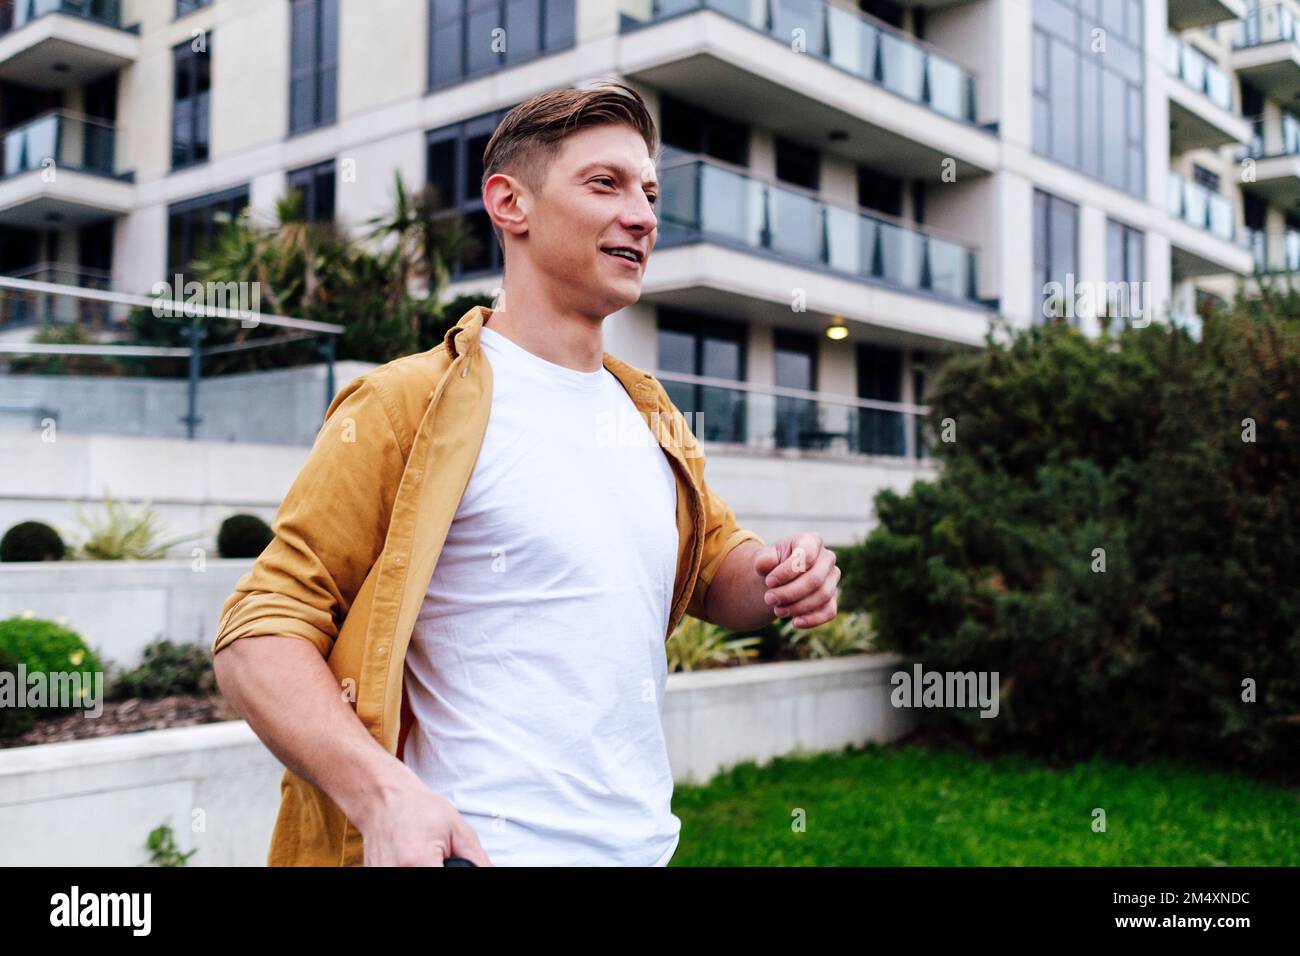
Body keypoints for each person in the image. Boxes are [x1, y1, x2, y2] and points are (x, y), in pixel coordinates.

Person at [211, 81, 840, 867]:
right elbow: (258, 632)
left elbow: (715, 567)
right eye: (604, 184)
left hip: (643, 850)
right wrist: (381, 794)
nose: (643, 215)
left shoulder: (650, 414)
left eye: (648, 191)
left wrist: (782, 574)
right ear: (510, 203)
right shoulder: (403, 402)